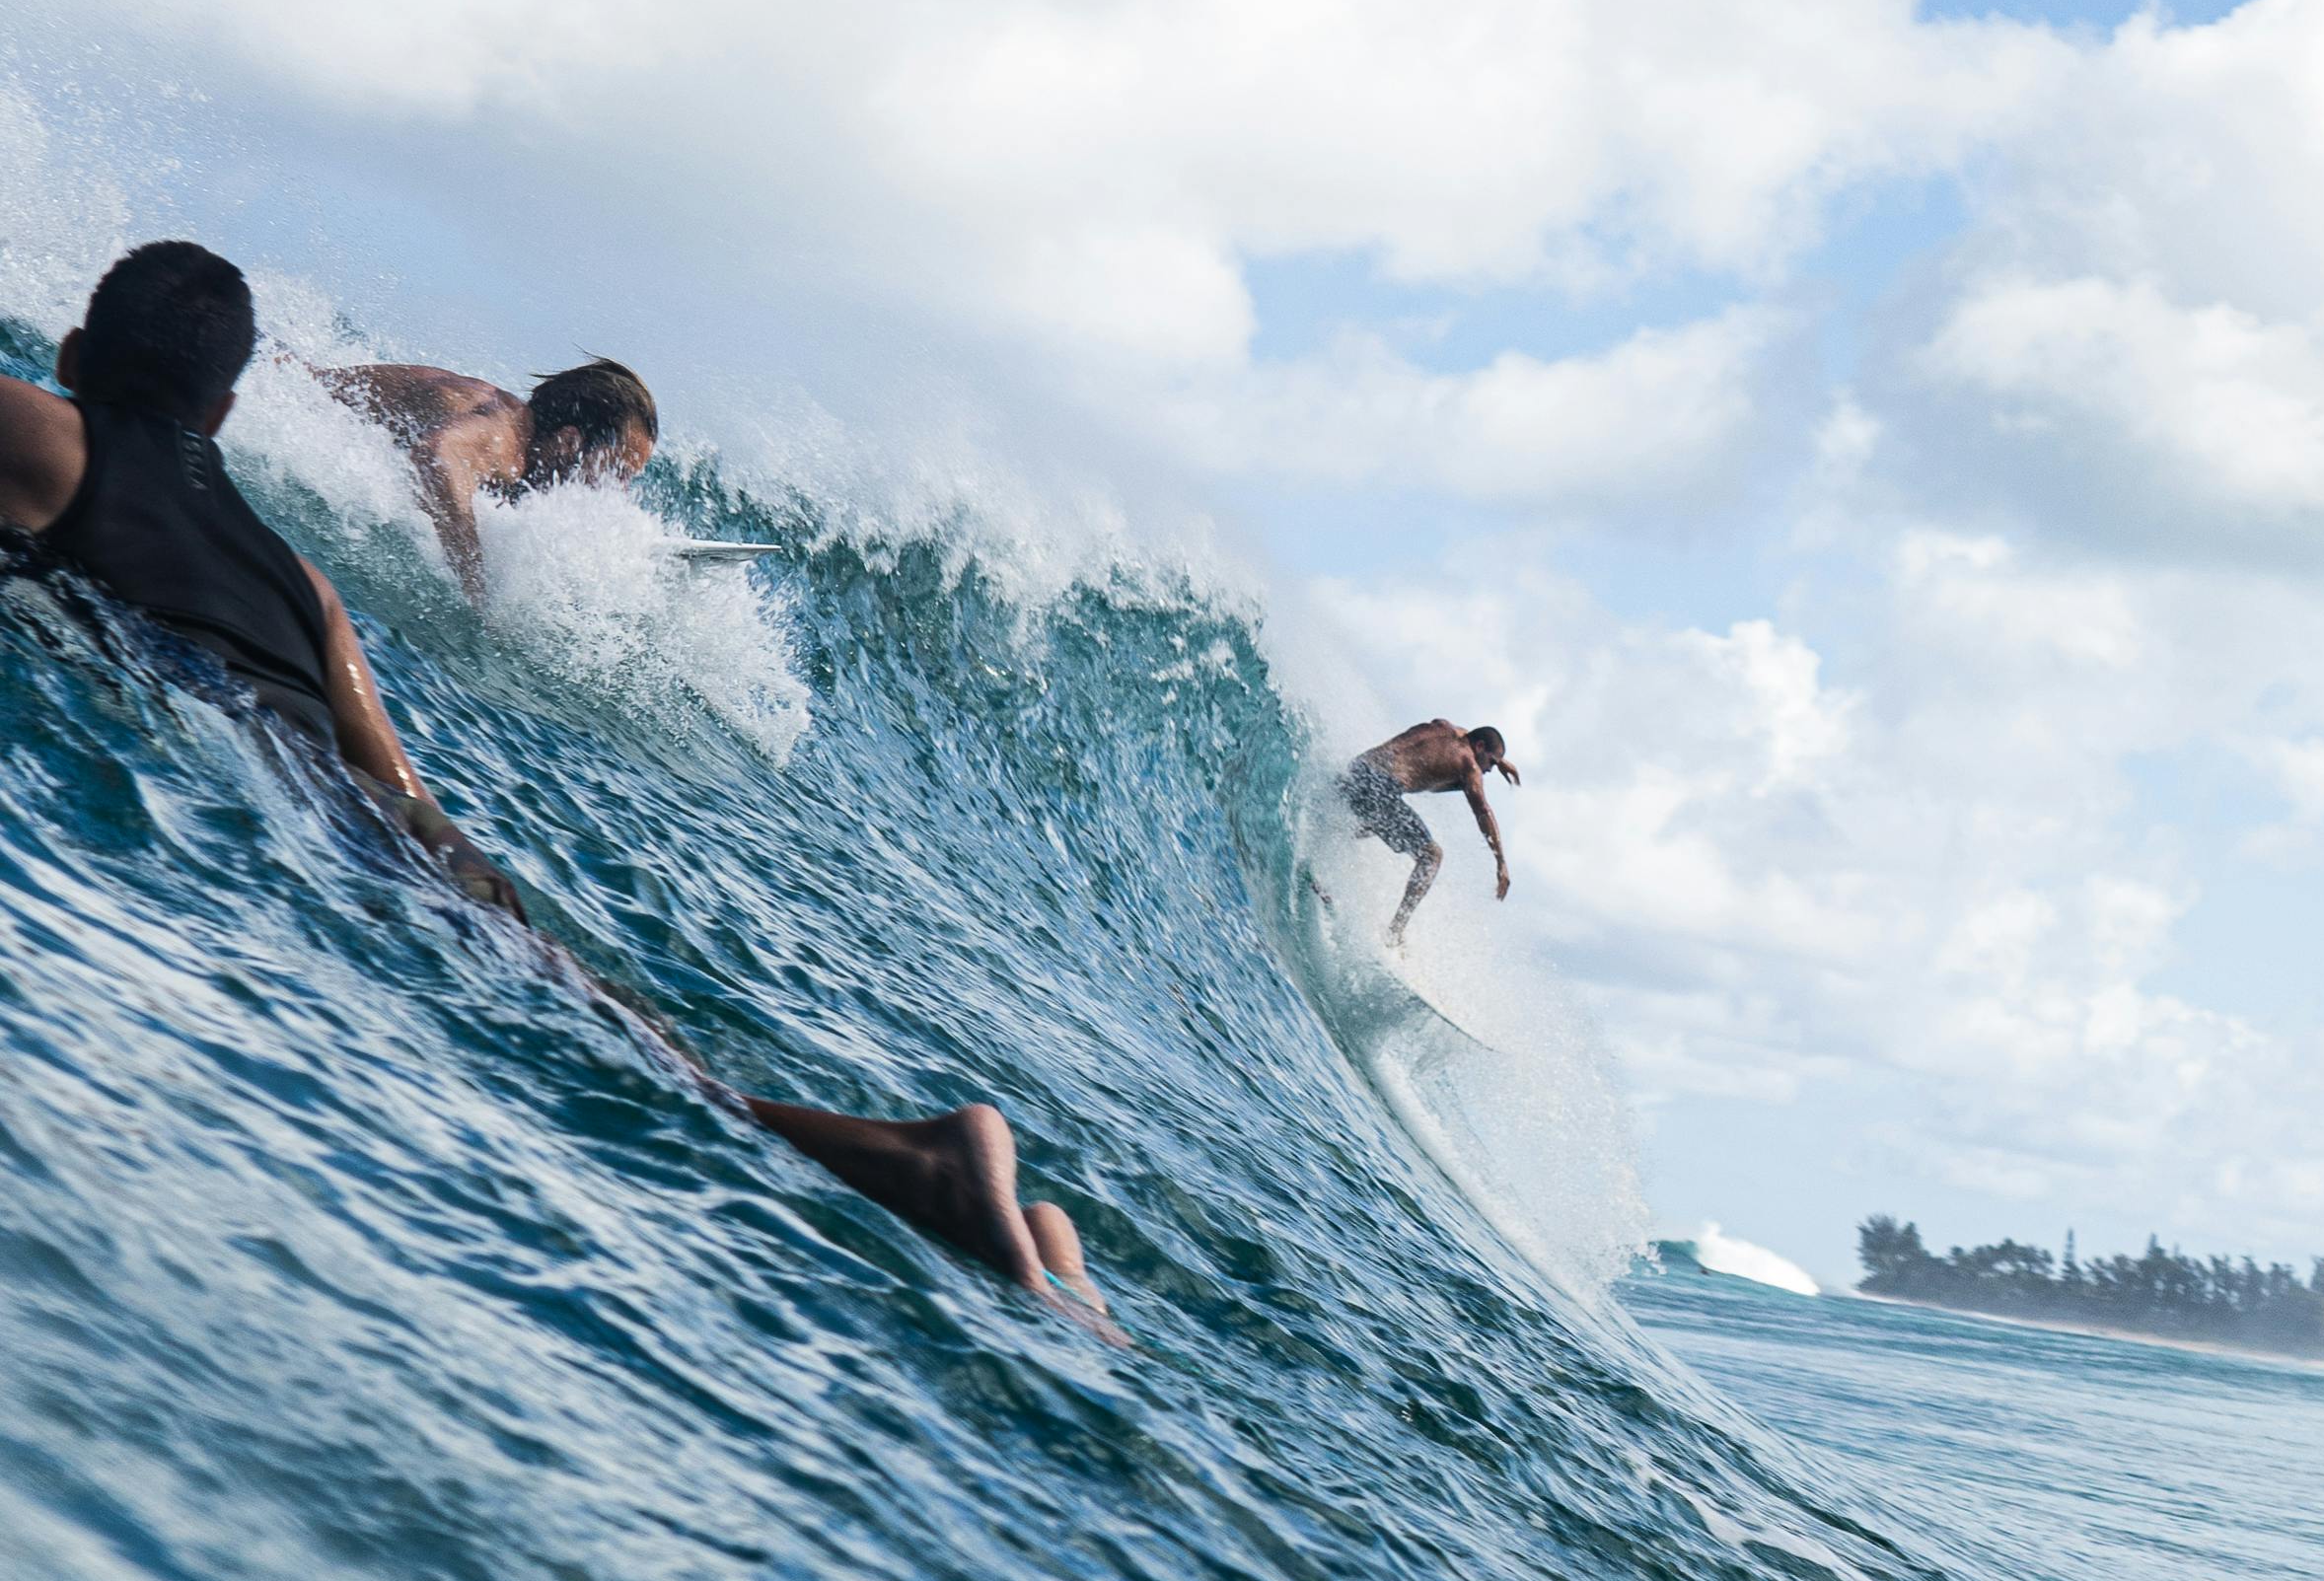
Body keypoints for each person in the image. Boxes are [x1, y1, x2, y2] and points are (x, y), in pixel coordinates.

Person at [0, 243, 1113, 1334]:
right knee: (637, 1048)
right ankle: (946, 1182)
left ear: (74, 352)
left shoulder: (36, 429)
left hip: (281, 783)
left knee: (644, 1075)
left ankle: (932, 1165)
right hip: (410, 838)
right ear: (228, 417)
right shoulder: (309, 586)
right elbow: (403, 788)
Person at [316, 353, 660, 604]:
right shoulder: (505, 435)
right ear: (570, 441)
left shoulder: (526, 453)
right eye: (618, 471)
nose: (619, 489)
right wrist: (473, 584)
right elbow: (436, 455)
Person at [1338, 719, 1520, 946]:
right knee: (1432, 856)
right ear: (1480, 747)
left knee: (1371, 825)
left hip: (1359, 770)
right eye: (1491, 763)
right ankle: (1395, 931)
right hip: (1379, 789)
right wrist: (1501, 862)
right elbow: (1483, 810)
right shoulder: (1469, 765)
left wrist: (1501, 762)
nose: (1489, 770)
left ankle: (1323, 854)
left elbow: (1472, 735)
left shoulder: (1446, 728)